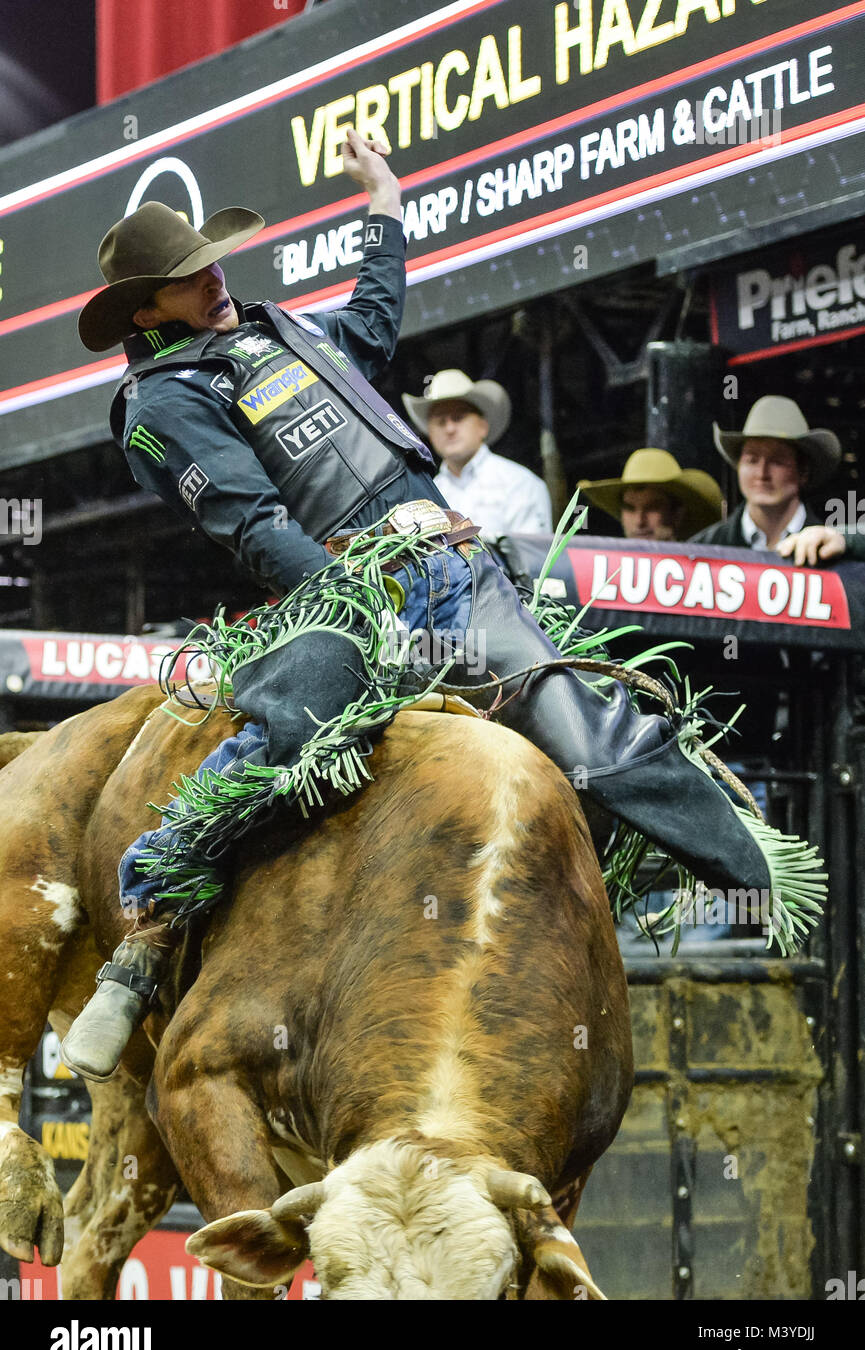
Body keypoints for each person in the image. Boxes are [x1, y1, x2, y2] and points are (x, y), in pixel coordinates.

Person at [61, 131, 822, 1081]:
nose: (213, 279)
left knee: (584, 735)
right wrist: (353, 596)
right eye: (187, 276)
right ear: (146, 308)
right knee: (290, 727)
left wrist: (383, 199)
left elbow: (372, 323)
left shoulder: (284, 332)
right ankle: (149, 926)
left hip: (456, 564)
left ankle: (759, 878)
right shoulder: (161, 401)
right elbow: (250, 518)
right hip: (344, 587)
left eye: (211, 262)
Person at [402, 369, 552, 536]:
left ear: (483, 426)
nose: (450, 428)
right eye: (441, 422)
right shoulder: (427, 495)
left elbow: (531, 558)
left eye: (458, 418)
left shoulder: (520, 484)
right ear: (430, 433)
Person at [690, 396, 840, 549]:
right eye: (752, 460)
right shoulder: (703, 551)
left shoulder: (833, 552)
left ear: (803, 472)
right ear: (739, 466)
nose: (762, 474)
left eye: (777, 461)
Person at [579, 448, 723, 541]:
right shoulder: (608, 575)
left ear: (677, 514)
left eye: (652, 508)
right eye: (630, 508)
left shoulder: (701, 569)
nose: (639, 521)